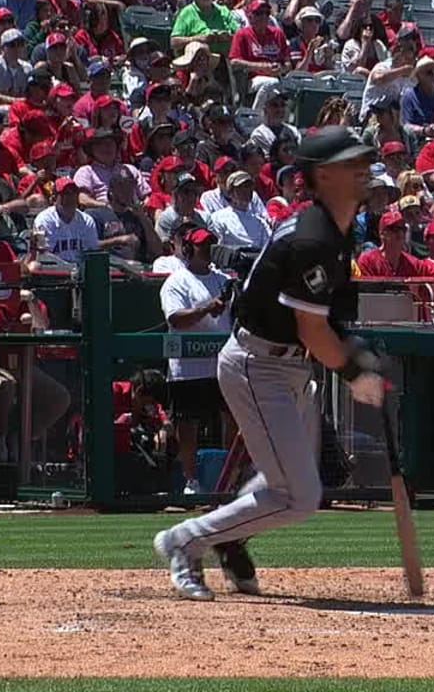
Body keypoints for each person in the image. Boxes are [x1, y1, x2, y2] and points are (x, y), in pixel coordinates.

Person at [152, 127, 387, 601]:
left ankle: (230, 534)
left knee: (283, 478)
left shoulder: (333, 231)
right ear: (323, 175)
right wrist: (355, 373)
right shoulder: (313, 238)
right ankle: (185, 540)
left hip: (290, 369)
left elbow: (330, 321)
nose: (364, 174)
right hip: (260, 366)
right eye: (352, 165)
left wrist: (358, 356)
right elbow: (312, 331)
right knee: (300, 496)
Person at [160, 226, 234, 495]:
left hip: (222, 364)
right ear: (189, 250)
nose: (208, 250)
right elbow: (176, 319)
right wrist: (206, 308)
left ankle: (230, 478)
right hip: (188, 368)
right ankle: (190, 480)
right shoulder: (177, 281)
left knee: (234, 418)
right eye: (203, 246)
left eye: (211, 245)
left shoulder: (223, 279)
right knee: (188, 425)